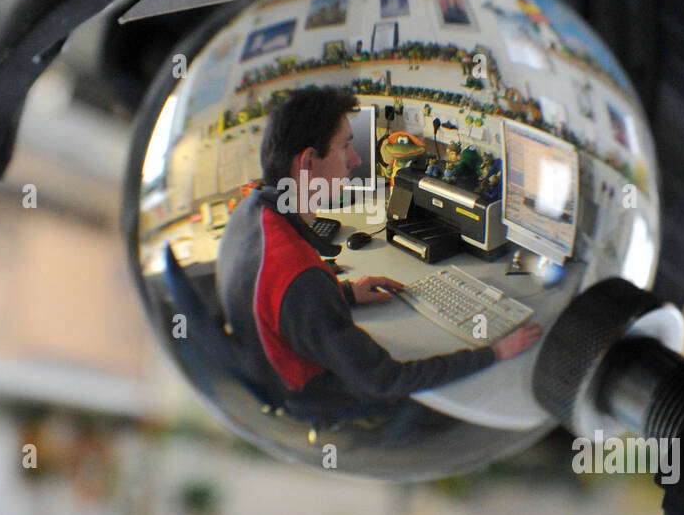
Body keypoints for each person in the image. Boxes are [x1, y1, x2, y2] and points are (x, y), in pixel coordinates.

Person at [215, 85, 542, 421]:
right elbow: (385, 379)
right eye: (346, 146)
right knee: (446, 409)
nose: (356, 159)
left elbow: (281, 306)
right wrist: (494, 352)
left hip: (269, 359)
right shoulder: (301, 279)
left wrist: (344, 294)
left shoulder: (251, 210)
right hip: (312, 394)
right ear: (308, 162)